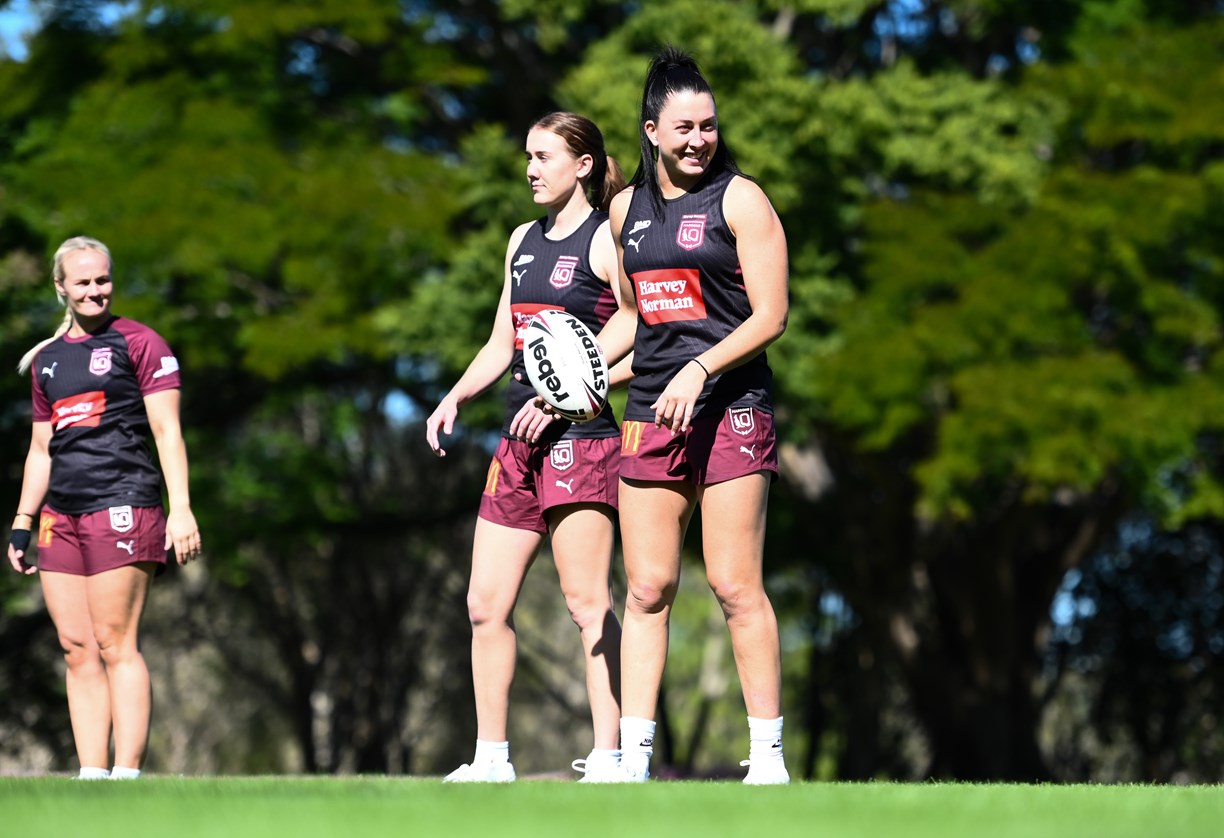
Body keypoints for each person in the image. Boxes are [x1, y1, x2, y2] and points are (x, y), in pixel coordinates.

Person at [604, 46, 791, 784]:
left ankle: (768, 759)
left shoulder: (742, 201)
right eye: (683, 127)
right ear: (651, 130)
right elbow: (633, 314)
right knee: (646, 589)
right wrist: (590, 370)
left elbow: (772, 315)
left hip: (731, 406)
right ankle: (634, 761)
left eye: (708, 126)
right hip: (650, 411)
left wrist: (701, 365)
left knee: (734, 585)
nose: (698, 140)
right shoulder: (625, 212)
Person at [425, 112, 627, 783]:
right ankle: (491, 759)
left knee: (586, 604)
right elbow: (501, 340)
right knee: (484, 603)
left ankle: (612, 756)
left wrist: (570, 391)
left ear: (585, 164)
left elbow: (636, 320)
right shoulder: (521, 239)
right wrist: (456, 396)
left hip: (582, 440)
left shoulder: (608, 237)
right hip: (515, 440)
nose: (532, 169)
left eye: (544, 156)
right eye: (528, 157)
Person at [6, 236, 202, 780]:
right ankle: (91, 776)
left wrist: (180, 509)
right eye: (83, 282)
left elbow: (168, 431)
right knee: (75, 647)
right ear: (60, 288)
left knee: (116, 640)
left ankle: (127, 776)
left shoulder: (140, 343)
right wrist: (23, 522)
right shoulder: (46, 361)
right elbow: (42, 450)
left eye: (103, 280)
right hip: (58, 518)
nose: (95, 291)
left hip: (124, 503)